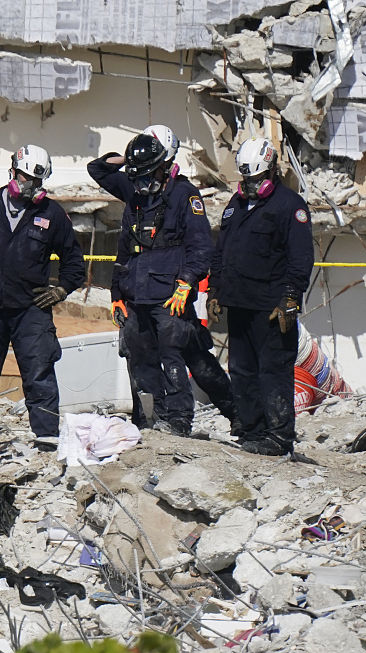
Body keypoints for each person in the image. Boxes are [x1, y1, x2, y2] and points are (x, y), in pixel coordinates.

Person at [88, 125, 235, 431]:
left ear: (164, 166)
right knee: (140, 358)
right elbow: (98, 170)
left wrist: (186, 282)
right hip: (135, 293)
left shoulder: (184, 194)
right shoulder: (135, 189)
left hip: (170, 294)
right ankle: (150, 420)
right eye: (136, 176)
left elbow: (200, 247)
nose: (140, 183)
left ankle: (185, 421)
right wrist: (116, 294)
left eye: (146, 175)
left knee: (178, 356)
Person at [0, 145, 85, 458]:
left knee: (39, 372)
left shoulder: (52, 214)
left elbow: (73, 261)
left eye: (36, 180)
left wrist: (61, 289)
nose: (29, 184)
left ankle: (47, 441)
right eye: (25, 176)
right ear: (13, 171)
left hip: (31, 309)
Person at [210, 137, 313, 456]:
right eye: (246, 179)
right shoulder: (235, 205)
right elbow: (222, 251)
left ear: (270, 172)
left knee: (273, 371)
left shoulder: (290, 206)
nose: (251, 185)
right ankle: (252, 431)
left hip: (272, 307)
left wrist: (290, 297)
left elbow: (300, 257)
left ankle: (279, 436)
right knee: (242, 371)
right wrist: (216, 290)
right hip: (239, 303)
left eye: (256, 179)